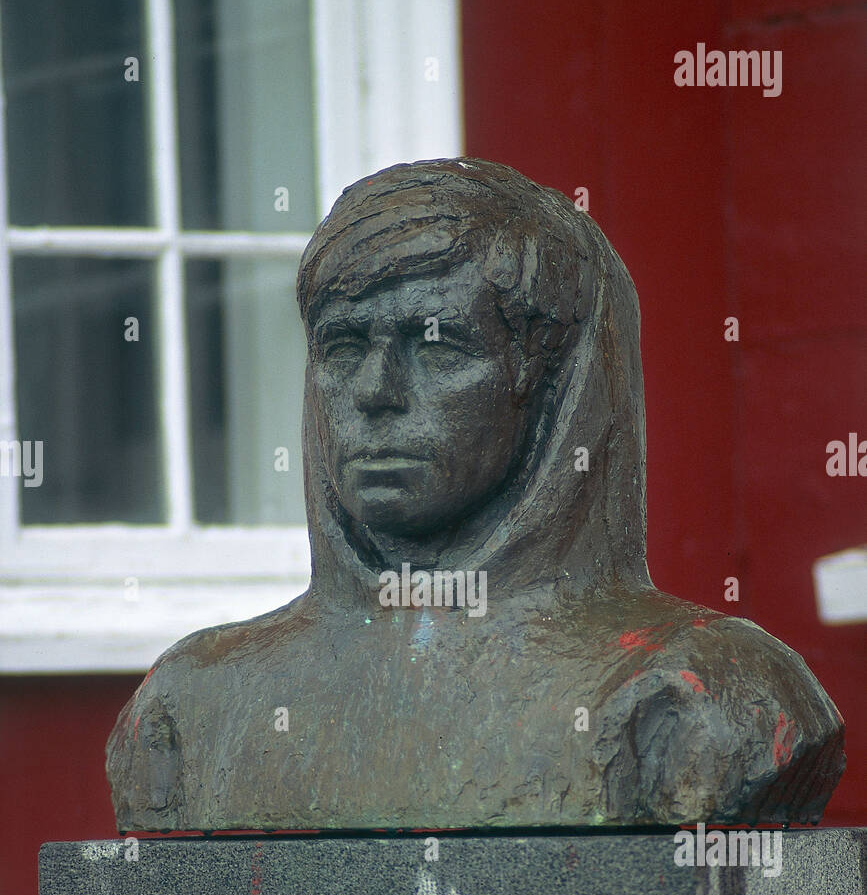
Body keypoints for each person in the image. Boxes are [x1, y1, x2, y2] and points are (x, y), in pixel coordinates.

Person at [107, 158, 844, 830]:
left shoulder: (698, 694)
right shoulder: (192, 707)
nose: (374, 393)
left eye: (436, 347)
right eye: (342, 347)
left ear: (548, 383)